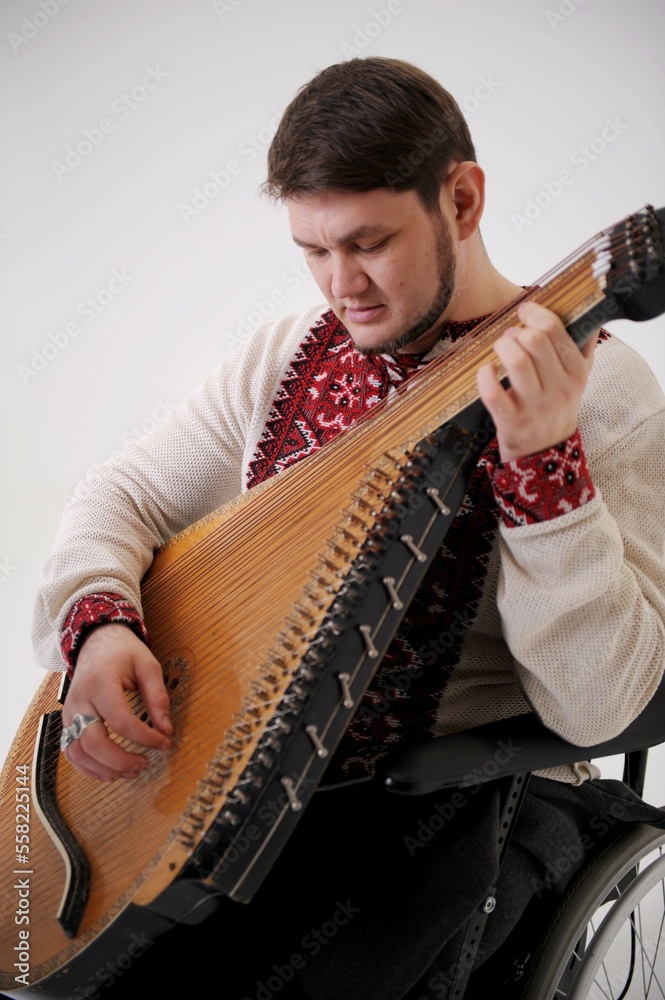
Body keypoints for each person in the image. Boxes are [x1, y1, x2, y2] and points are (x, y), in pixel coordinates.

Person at [30, 57, 665, 998]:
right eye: (312, 251)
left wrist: (542, 469)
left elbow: (604, 706)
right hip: (231, 799)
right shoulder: (284, 356)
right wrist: (100, 622)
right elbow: (121, 493)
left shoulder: (600, 394)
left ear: (461, 198)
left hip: (438, 812)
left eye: (367, 243)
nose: (342, 285)